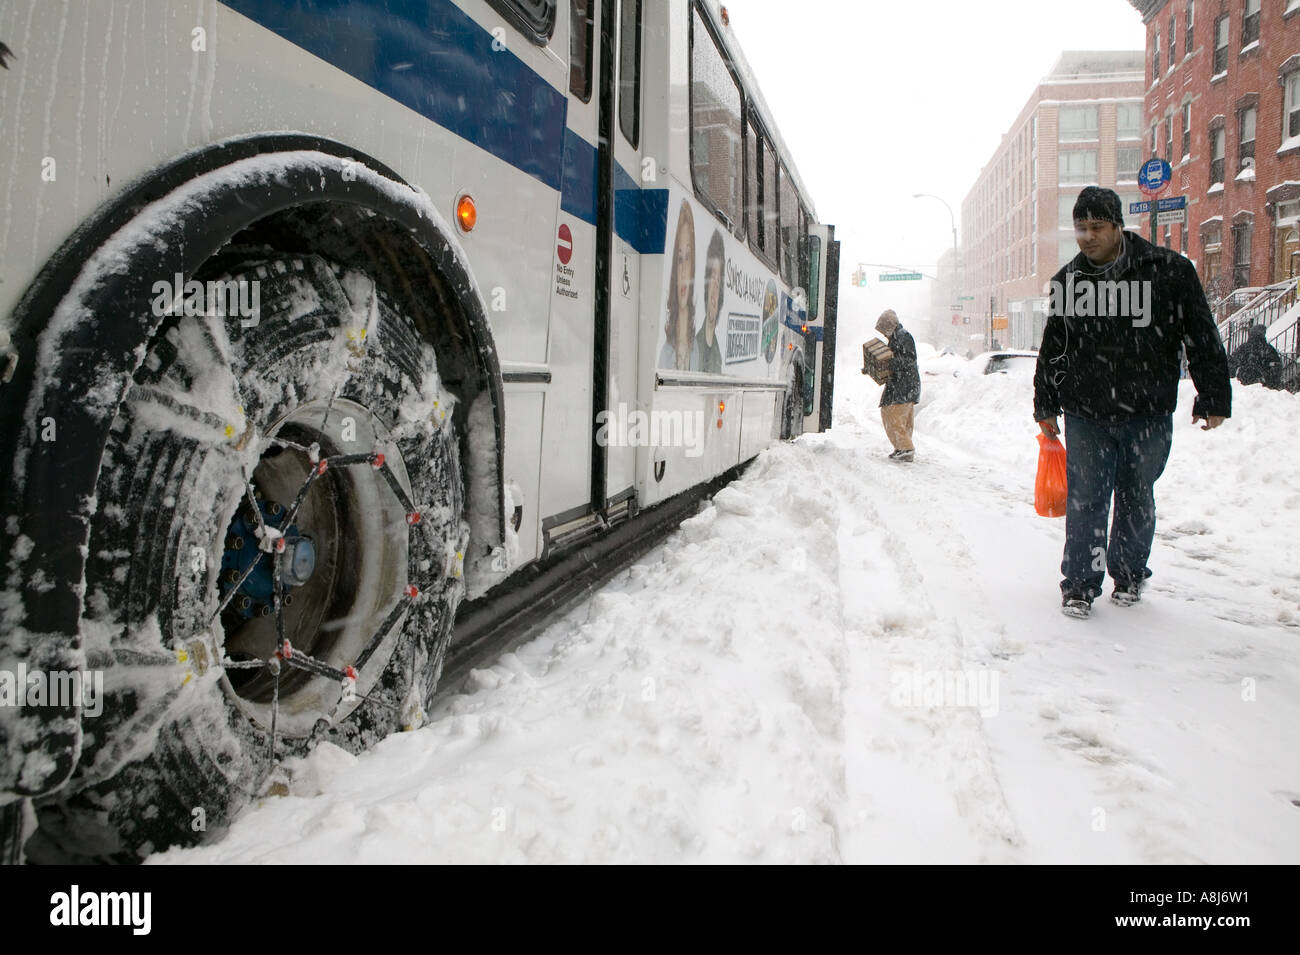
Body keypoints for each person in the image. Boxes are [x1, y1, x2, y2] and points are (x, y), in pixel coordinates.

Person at [1033, 186, 1231, 619]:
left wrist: (1212, 394)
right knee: (1087, 499)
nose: (1086, 236)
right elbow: (1054, 348)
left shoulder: (1168, 271)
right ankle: (1081, 585)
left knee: (1136, 495)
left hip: (1148, 412)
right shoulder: (1070, 281)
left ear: (1118, 226)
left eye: (1096, 227)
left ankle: (1128, 573)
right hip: (1086, 412)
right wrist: (1045, 403)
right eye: (1080, 228)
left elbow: (1200, 333)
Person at [876, 309, 920, 462]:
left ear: (889, 325)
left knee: (892, 414)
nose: (883, 334)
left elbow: (908, 360)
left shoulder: (902, 337)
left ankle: (905, 448)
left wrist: (888, 362)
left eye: (883, 329)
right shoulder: (898, 337)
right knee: (902, 419)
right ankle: (902, 447)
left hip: (903, 384)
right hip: (905, 384)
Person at [659, 200, 698, 371]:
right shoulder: (665, 351)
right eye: (679, 259)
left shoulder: (697, 348)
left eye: (688, 258)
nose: (683, 272)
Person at [695, 230, 725, 373]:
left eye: (718, 282)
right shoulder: (693, 346)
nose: (715, 288)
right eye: (712, 278)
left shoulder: (717, 355)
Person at [1229, 323, 1284, 390]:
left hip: (1243, 384)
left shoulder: (1243, 348)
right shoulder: (1268, 349)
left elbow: (1231, 364)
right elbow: (1277, 366)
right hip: (1264, 385)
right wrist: (1271, 381)